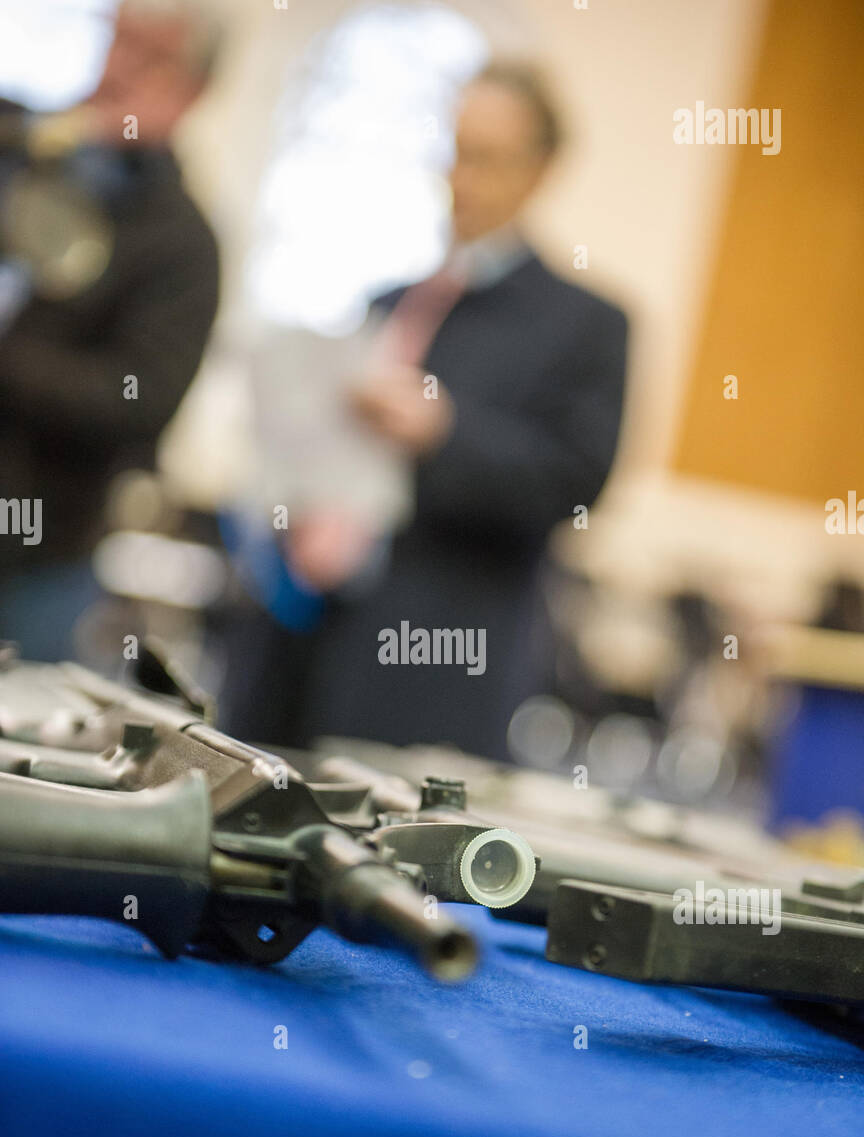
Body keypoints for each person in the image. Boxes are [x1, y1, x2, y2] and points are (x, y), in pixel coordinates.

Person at [226, 61, 628, 761]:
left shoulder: (584, 325)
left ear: (539, 170)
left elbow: (576, 481)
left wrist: (444, 432)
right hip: (304, 640)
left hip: (431, 663)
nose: (461, 179)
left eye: (487, 159)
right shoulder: (389, 301)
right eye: (453, 152)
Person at [0, 0, 220, 659]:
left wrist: (10, 365)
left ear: (193, 90)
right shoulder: (25, 146)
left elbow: (139, 398)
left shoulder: (181, 242)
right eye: (116, 43)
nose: (118, 70)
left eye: (149, 58)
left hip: (34, 555)